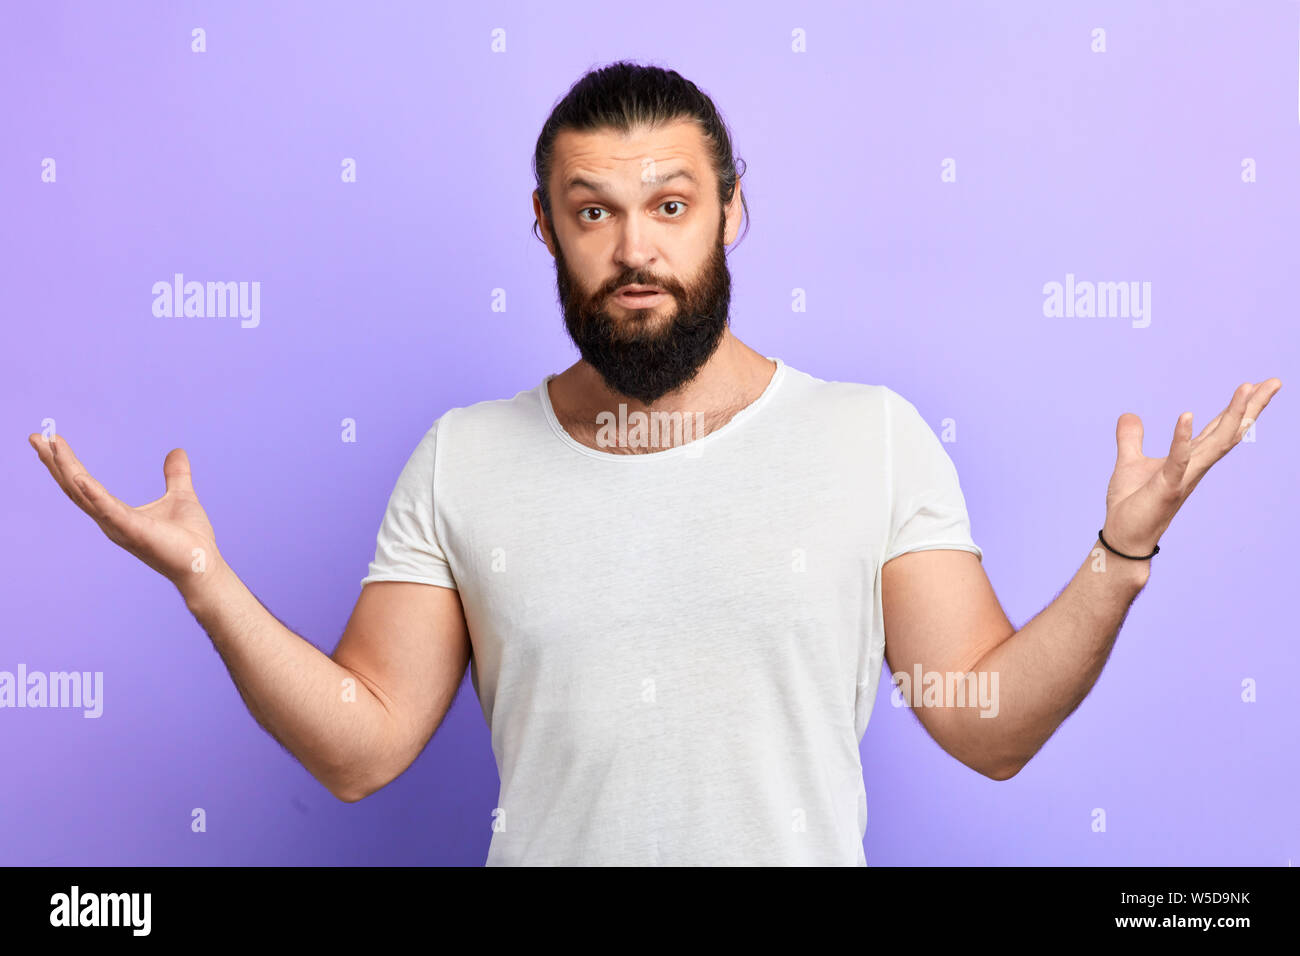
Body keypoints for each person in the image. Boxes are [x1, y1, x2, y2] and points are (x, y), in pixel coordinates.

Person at [28, 61, 1281, 866]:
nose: (635, 249)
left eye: (671, 205)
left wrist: (1119, 556)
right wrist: (209, 584)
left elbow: (989, 729)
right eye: (593, 210)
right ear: (545, 226)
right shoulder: (463, 457)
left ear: (734, 210)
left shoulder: (868, 435)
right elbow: (361, 750)